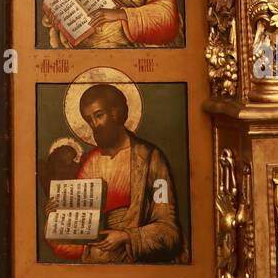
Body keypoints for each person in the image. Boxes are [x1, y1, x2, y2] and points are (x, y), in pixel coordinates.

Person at [47, 83, 184, 263]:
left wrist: (126, 237)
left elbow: (168, 230)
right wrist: (57, 217)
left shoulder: (150, 158)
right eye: (89, 120)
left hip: (139, 268)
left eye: (99, 115)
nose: (95, 125)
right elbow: (78, 232)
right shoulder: (90, 163)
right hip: (95, 267)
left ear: (116, 112)